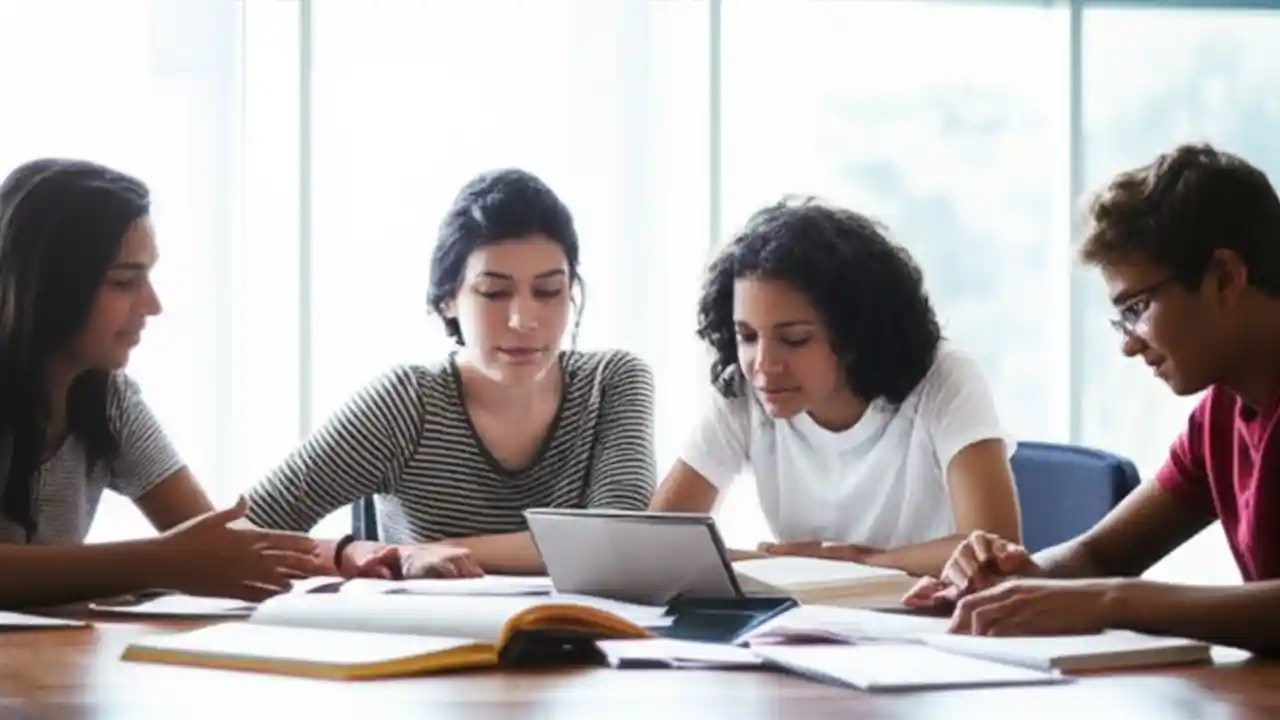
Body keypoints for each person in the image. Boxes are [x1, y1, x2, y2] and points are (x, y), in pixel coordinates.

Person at [904, 144, 1280, 655]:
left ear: (1224, 277)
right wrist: (1007, 584)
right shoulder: (1219, 417)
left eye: (1138, 308)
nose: (1128, 343)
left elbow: (1104, 585)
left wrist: (1113, 601)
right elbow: (1097, 557)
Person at [245, 168, 657, 576]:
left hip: (580, 638)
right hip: (430, 639)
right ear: (447, 300)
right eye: (494, 293)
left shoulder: (612, 382)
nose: (524, 319)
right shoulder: (406, 402)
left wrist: (418, 551)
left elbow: (616, 541)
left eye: (549, 292)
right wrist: (354, 553)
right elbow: (242, 532)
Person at [0, 158, 325, 609]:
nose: (151, 305)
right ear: (50, 285)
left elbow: (217, 544)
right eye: (124, 282)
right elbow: (178, 558)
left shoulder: (108, 398)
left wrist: (362, 557)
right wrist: (156, 563)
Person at [650, 198, 1020, 576]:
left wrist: (862, 564)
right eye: (746, 336)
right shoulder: (744, 390)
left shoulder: (944, 379)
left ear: (856, 333)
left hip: (930, 619)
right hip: (809, 622)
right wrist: (795, 567)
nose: (763, 364)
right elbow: (656, 540)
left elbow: (993, 547)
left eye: (794, 339)